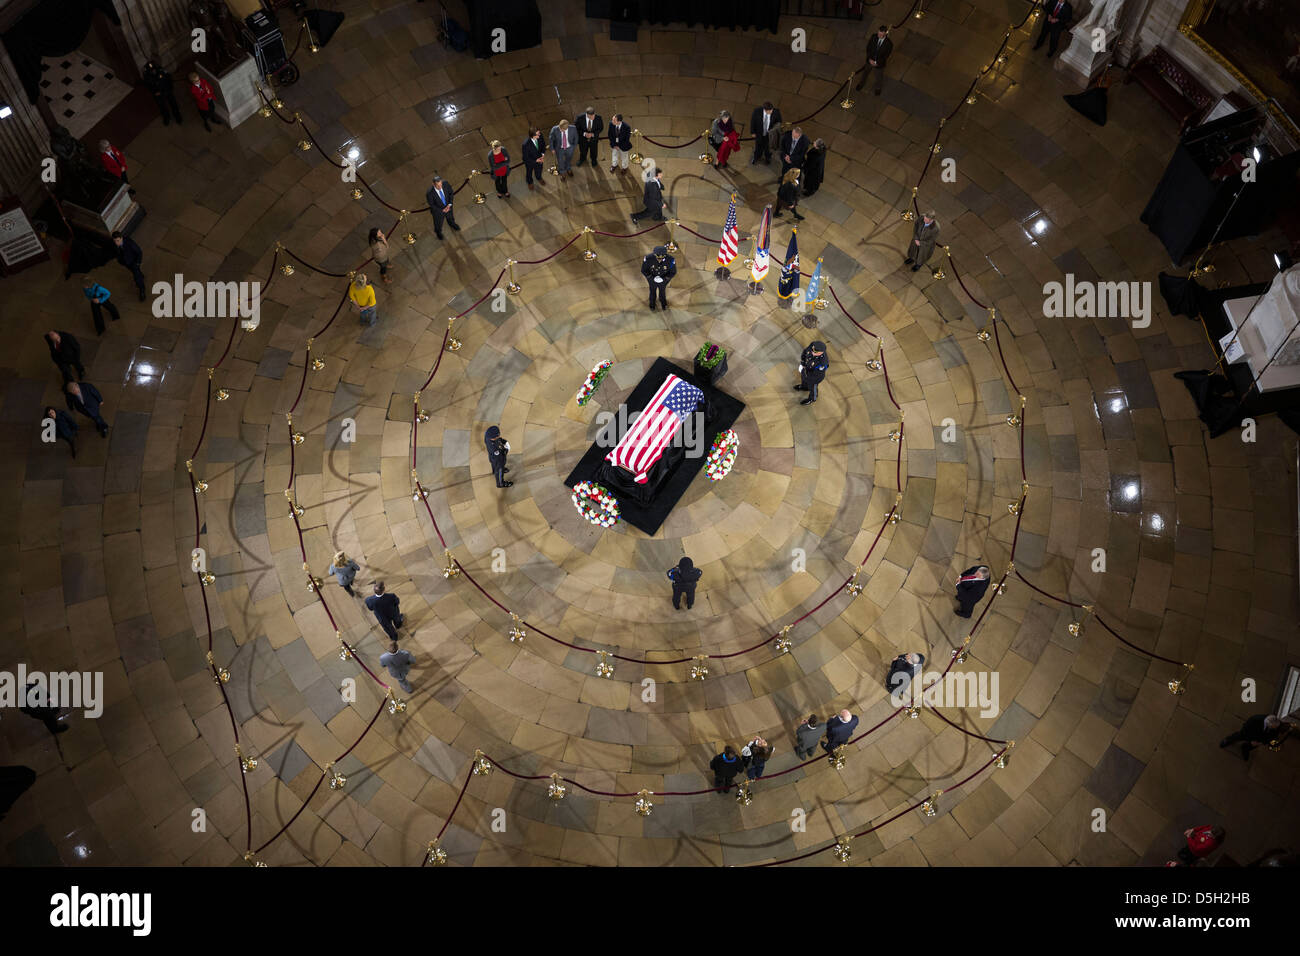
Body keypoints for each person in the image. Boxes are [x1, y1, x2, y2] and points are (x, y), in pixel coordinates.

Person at [1219, 713, 1290, 761]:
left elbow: (1271, 736)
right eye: (1273, 728)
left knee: (1251, 746)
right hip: (1248, 733)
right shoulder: (1255, 720)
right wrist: (1251, 740)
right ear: (1268, 724)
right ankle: (1228, 740)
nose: (1275, 729)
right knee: (1238, 736)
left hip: (1259, 739)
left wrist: (1261, 743)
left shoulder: (1276, 725)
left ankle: (1245, 748)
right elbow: (1246, 729)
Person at [855, 25, 894, 95]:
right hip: (869, 60)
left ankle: (878, 88)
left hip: (879, 64)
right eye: (878, 33)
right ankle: (861, 84)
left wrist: (877, 62)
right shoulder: (874, 37)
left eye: (881, 34)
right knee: (865, 73)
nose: (878, 35)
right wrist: (870, 59)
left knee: (879, 77)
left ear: (885, 34)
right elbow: (868, 48)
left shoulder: (889, 44)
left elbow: (886, 56)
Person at [143, 59, 182, 125]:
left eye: (154, 69)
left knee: (173, 103)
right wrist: (155, 93)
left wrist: (170, 88)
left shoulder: (161, 70)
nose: (154, 71)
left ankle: (177, 116)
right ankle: (166, 117)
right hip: (158, 94)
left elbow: (169, 78)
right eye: (151, 70)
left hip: (167, 90)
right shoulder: (147, 77)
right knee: (162, 106)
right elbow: (149, 87)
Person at [112, 231, 146, 301]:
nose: (116, 243)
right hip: (126, 263)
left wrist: (138, 263)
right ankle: (140, 275)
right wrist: (120, 261)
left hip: (134, 262)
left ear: (121, 238)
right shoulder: (115, 244)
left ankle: (142, 289)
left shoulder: (129, 243)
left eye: (117, 241)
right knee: (135, 272)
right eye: (115, 241)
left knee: (137, 277)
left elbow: (139, 252)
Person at [641, 245, 677, 311]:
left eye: (662, 257)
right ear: (654, 254)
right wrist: (651, 278)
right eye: (658, 257)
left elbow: (673, 272)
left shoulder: (671, 260)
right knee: (652, 291)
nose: (659, 259)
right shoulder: (648, 258)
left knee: (662, 291)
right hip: (652, 280)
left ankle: (663, 303)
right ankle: (652, 304)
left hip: (664, 280)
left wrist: (664, 279)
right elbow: (643, 270)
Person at [425, 174, 459, 239]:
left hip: (448, 207)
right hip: (438, 212)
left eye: (441, 184)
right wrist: (442, 210)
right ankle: (438, 232)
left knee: (450, 217)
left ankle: (452, 224)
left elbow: (451, 193)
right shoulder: (430, 193)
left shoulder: (445, 184)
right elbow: (432, 205)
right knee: (438, 223)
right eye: (438, 186)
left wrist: (450, 204)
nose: (440, 187)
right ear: (433, 184)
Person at [795, 340, 828, 406]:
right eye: (812, 350)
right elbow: (805, 352)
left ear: (821, 352)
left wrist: (802, 371)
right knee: (804, 379)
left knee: (813, 388)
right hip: (806, 369)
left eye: (815, 352)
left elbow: (815, 375)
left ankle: (812, 398)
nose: (812, 352)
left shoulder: (822, 363)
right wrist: (803, 363)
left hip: (814, 378)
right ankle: (804, 387)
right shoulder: (813, 346)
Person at [750, 101, 782, 165]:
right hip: (759, 133)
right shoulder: (757, 111)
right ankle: (756, 157)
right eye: (769, 111)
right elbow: (753, 121)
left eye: (771, 110)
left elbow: (779, 121)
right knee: (758, 146)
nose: (771, 112)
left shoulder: (776, 112)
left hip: (770, 135)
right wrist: (752, 132)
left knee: (767, 147)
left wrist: (774, 129)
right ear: (765, 110)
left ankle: (768, 158)